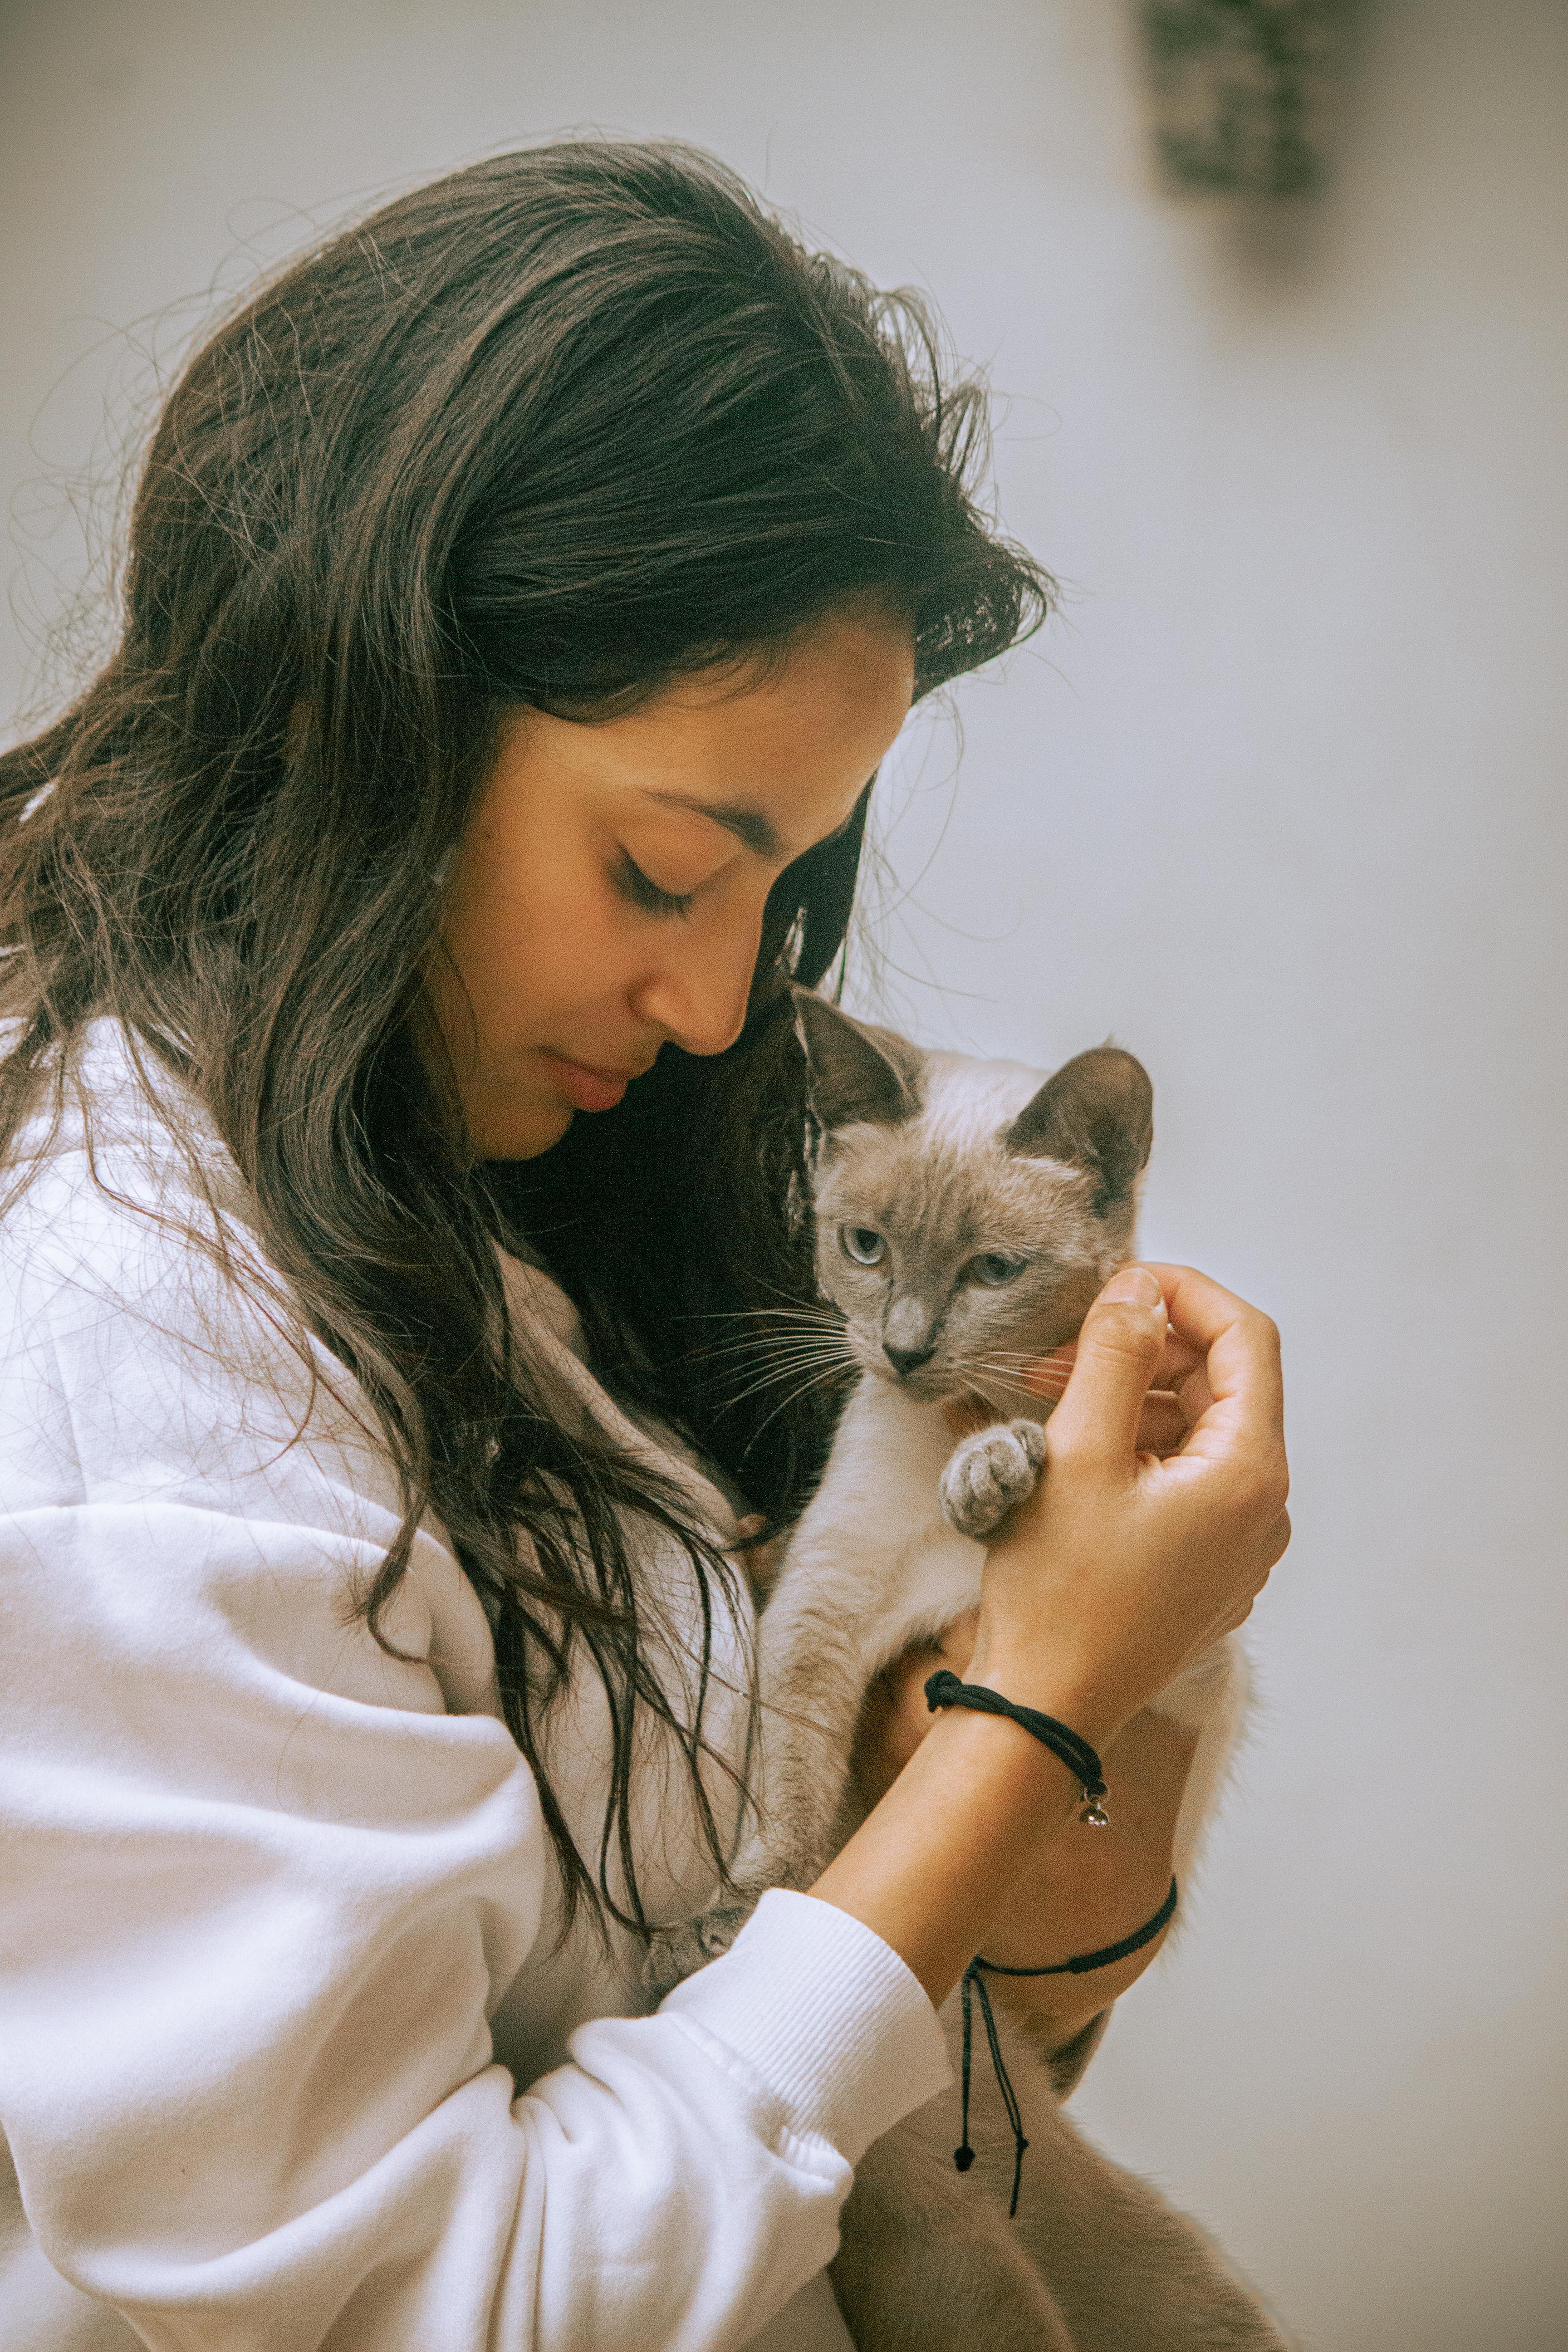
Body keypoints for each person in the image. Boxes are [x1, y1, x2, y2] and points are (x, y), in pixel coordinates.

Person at [0, 142, 1289, 2352]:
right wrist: (1034, 1706)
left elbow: (925, 2014)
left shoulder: (474, 1152)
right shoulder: (130, 1375)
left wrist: (1087, 1749)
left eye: (777, 900)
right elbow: (430, 2308)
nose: (722, 1012)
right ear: (369, 704)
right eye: (666, 871)